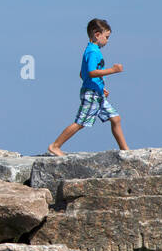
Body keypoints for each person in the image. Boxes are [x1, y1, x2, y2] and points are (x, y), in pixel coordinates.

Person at [47, 17, 129, 155]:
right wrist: (113, 70)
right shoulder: (92, 51)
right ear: (97, 35)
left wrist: (100, 87)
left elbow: (82, 74)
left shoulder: (92, 50)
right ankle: (55, 146)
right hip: (91, 94)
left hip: (97, 93)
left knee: (116, 118)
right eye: (106, 37)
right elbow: (91, 72)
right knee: (81, 122)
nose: (107, 41)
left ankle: (125, 150)